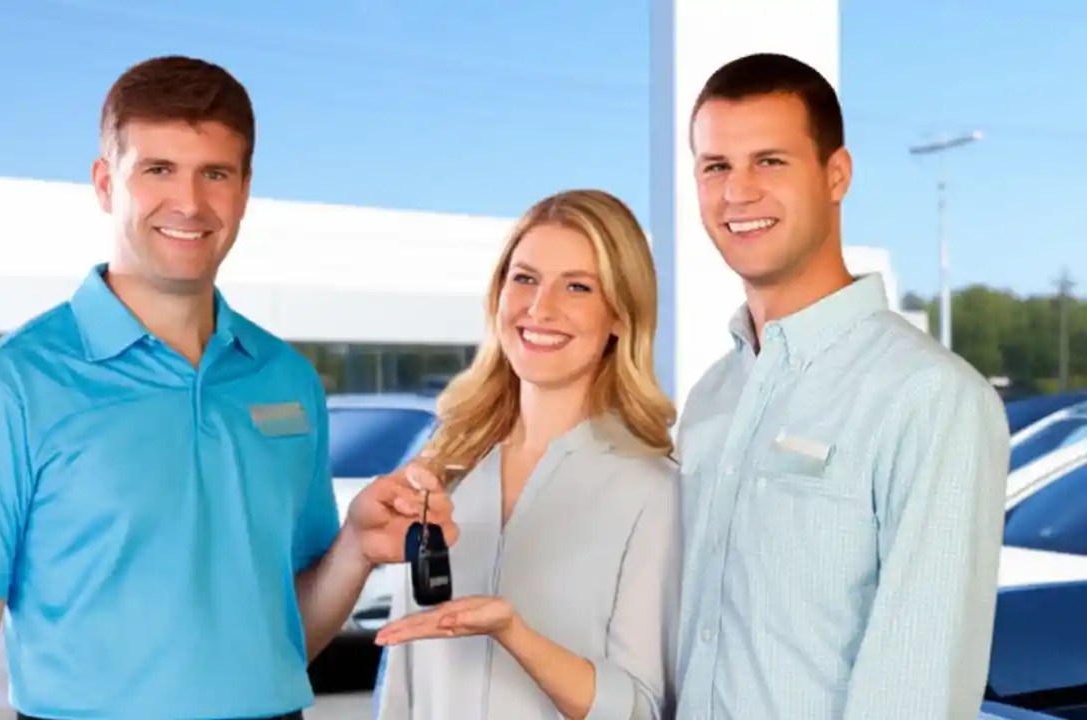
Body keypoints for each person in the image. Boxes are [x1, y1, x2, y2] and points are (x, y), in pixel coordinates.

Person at [0, 55, 456, 720]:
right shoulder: (9, 388)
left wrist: (358, 548)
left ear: (245, 188)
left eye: (214, 173)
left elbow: (281, 641)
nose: (189, 204)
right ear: (106, 183)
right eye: (157, 170)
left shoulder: (287, 381)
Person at [674, 52, 1010, 720]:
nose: (738, 192)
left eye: (769, 161)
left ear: (837, 175)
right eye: (716, 166)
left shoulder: (929, 399)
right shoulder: (711, 398)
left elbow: (920, 688)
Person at [373, 189, 683, 720]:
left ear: (619, 316)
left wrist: (514, 634)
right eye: (525, 278)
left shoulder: (653, 491)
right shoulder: (444, 465)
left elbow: (640, 708)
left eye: (578, 286)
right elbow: (403, 680)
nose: (540, 308)